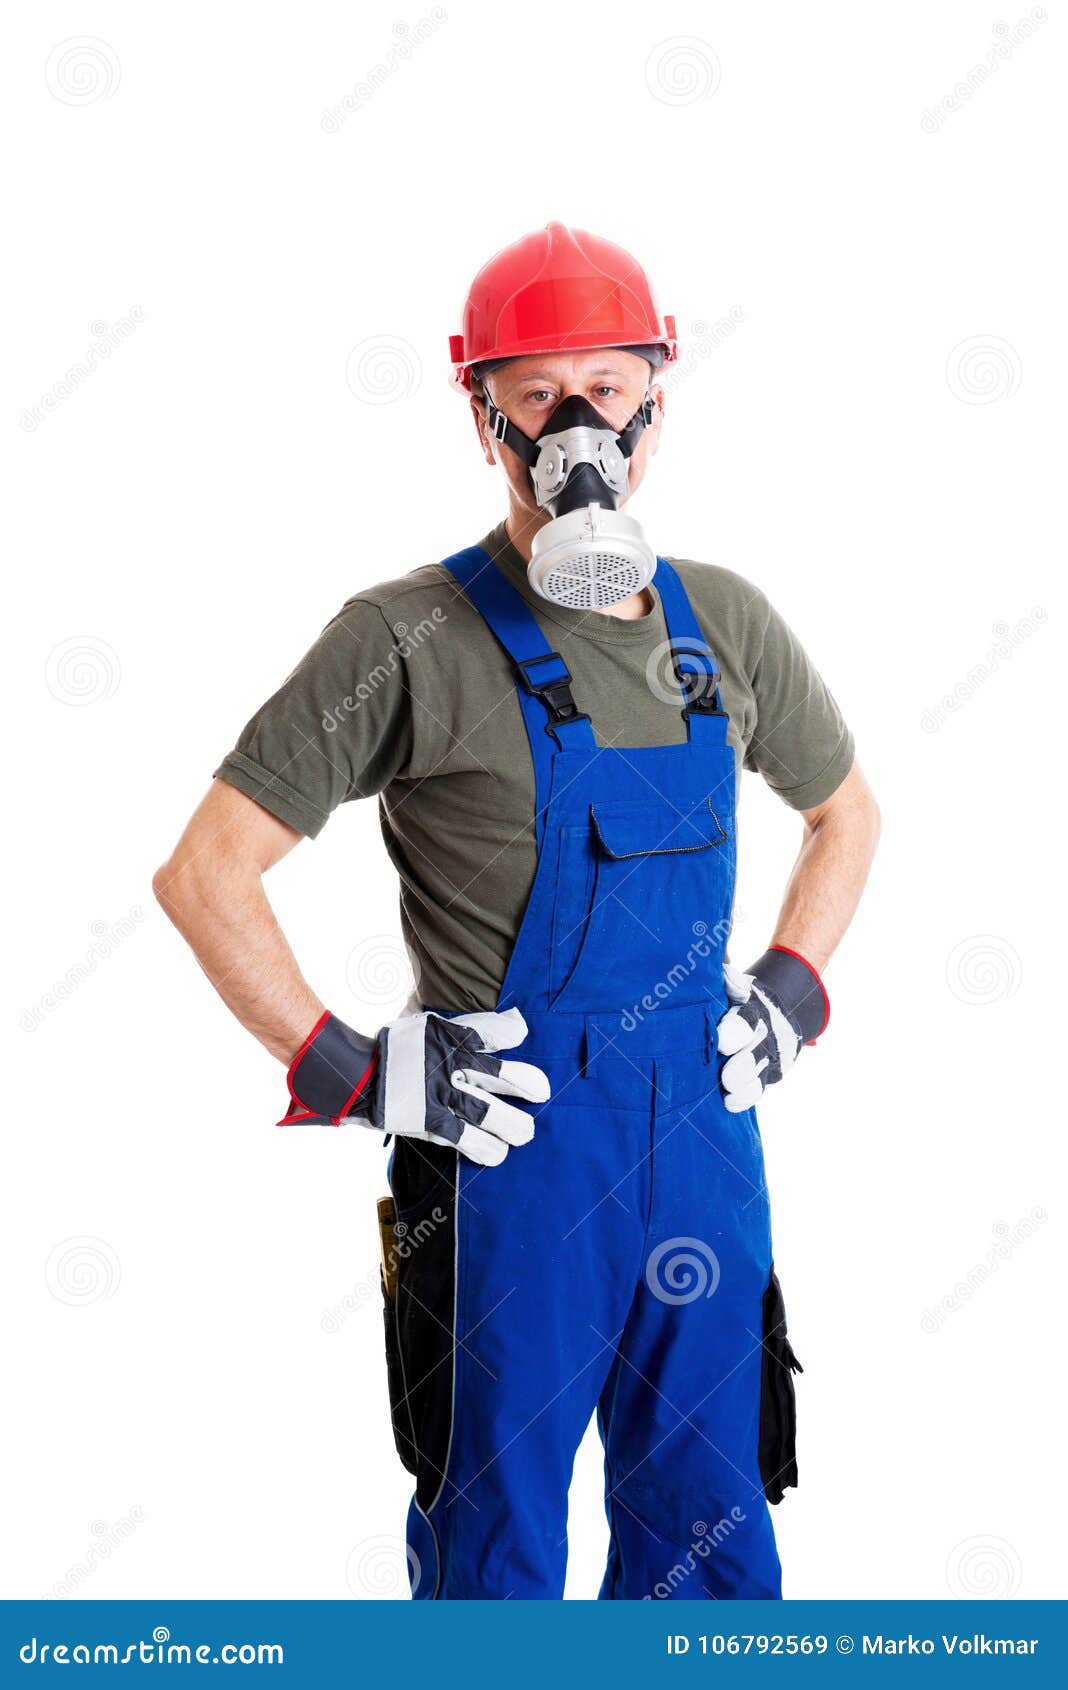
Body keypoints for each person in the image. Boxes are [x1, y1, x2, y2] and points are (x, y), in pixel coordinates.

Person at [154, 222, 880, 1601]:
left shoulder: (725, 623)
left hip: (705, 1143)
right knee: (496, 1551)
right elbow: (204, 873)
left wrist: (794, 986)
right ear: (482, 413)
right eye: (538, 394)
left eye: (606, 387)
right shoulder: (404, 636)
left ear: (659, 394)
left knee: (714, 1535)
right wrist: (351, 1069)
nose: (577, 431)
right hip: (507, 1154)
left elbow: (847, 813)